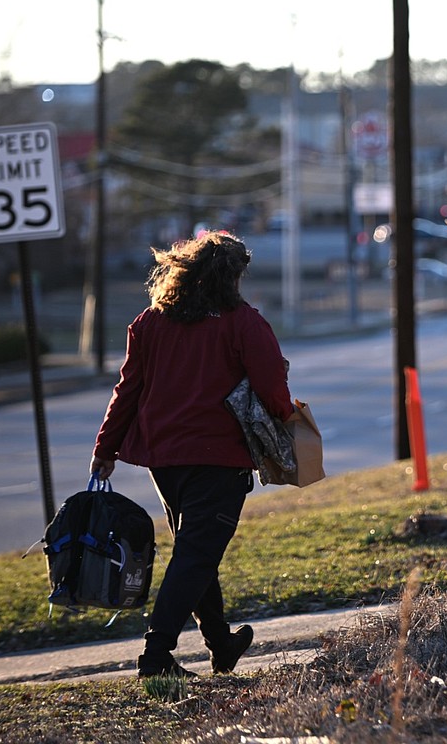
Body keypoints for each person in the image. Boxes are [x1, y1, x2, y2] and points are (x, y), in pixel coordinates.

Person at [90, 231, 292, 679]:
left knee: (194, 549)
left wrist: (106, 448)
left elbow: (128, 391)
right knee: (197, 554)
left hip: (165, 459)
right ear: (234, 275)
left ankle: (221, 643)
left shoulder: (150, 321)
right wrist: (290, 419)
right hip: (219, 458)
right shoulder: (244, 323)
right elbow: (273, 392)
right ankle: (156, 656)